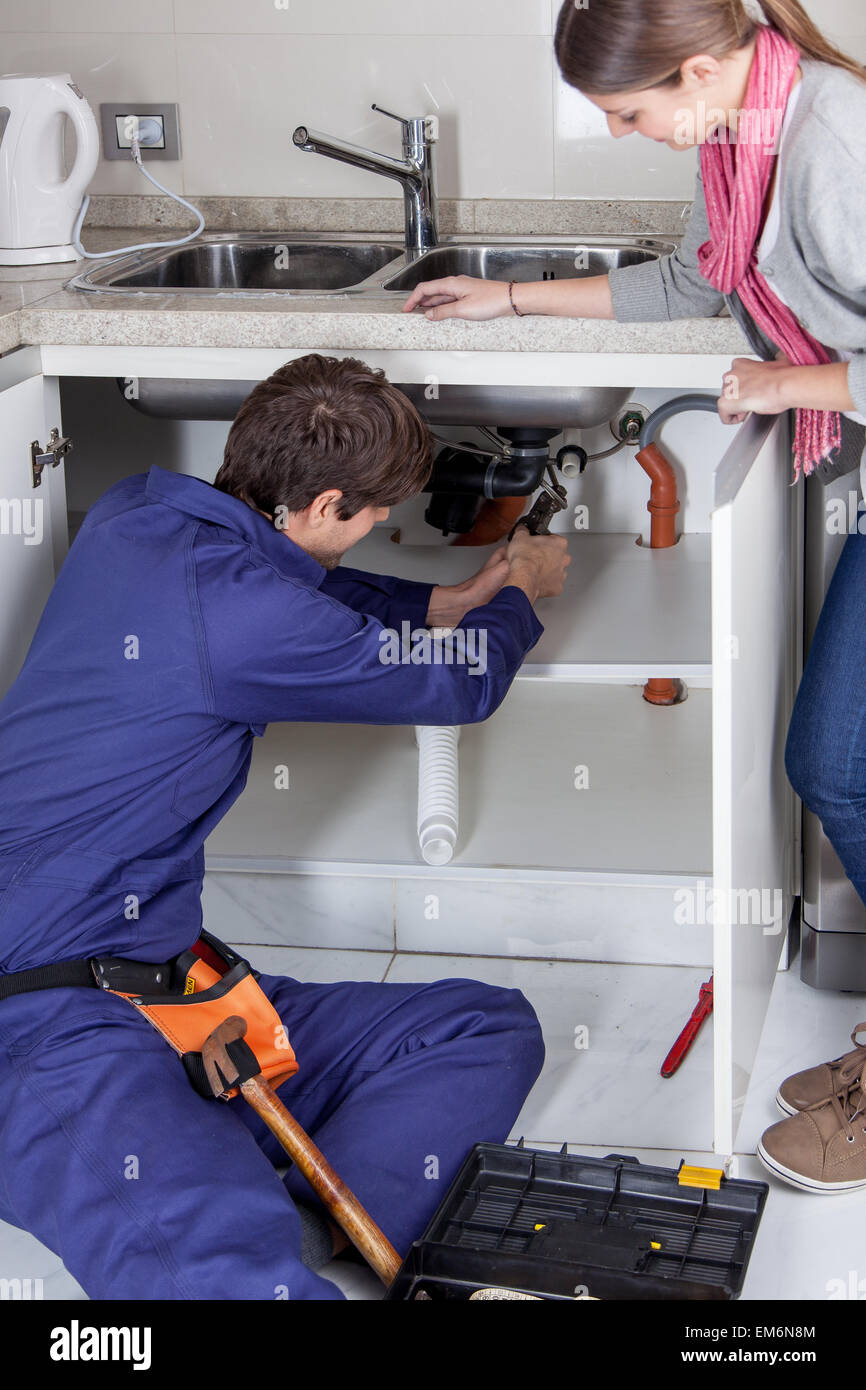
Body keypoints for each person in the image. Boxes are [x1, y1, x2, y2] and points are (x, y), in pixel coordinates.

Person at [403, 0, 866, 1194]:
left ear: (700, 68)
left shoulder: (828, 141)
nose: (621, 132)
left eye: (628, 111)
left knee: (839, 765)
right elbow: (692, 281)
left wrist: (794, 376)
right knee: (836, 764)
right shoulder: (740, 131)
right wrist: (505, 299)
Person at [0, 353, 571, 1298]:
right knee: (223, 1282)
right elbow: (456, 682)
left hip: (169, 986)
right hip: (48, 1020)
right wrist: (517, 597)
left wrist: (444, 599)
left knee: (481, 1028)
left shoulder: (137, 514)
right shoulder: (247, 613)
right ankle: (221, 1207)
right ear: (326, 505)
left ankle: (294, 1216)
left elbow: (283, 588)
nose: (382, 524)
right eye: (374, 512)